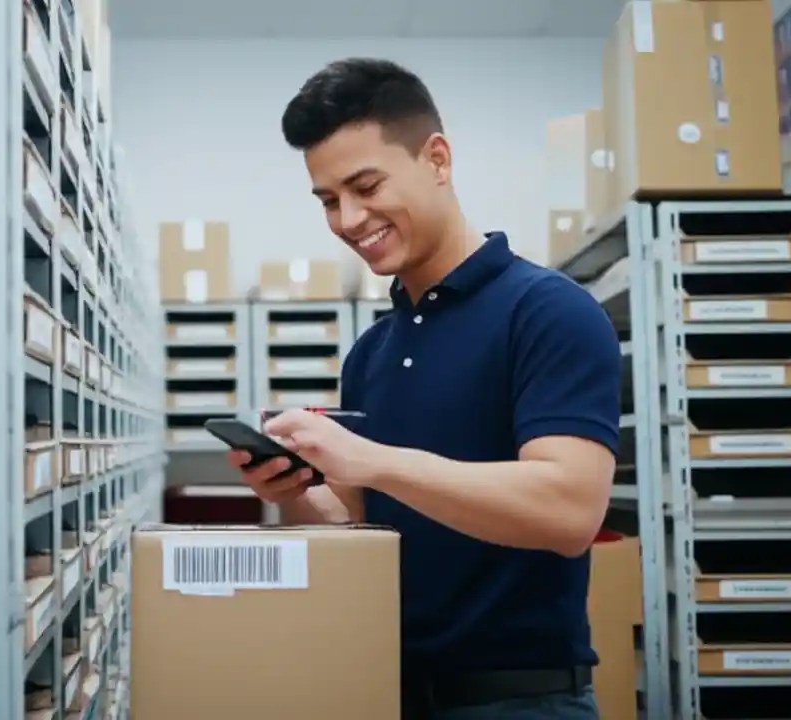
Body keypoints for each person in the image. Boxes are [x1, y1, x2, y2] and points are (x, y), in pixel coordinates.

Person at [226, 57, 621, 720]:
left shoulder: (548, 312)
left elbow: (569, 513)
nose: (348, 218)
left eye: (365, 185)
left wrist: (374, 460)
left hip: (519, 703)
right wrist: (292, 493)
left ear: (436, 159)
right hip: (388, 691)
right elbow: (353, 531)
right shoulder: (372, 353)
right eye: (327, 200)